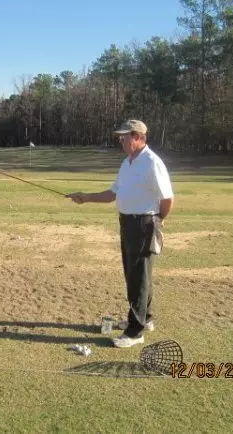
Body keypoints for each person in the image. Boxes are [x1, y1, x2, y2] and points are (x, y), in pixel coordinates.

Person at [66, 119, 174, 348]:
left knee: (139, 277)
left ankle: (136, 332)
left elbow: (167, 199)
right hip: (127, 223)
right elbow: (113, 193)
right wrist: (86, 197)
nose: (120, 140)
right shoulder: (127, 162)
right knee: (136, 274)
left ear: (138, 137)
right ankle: (146, 318)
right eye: (120, 137)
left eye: (124, 136)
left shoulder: (152, 162)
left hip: (144, 224)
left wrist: (157, 221)